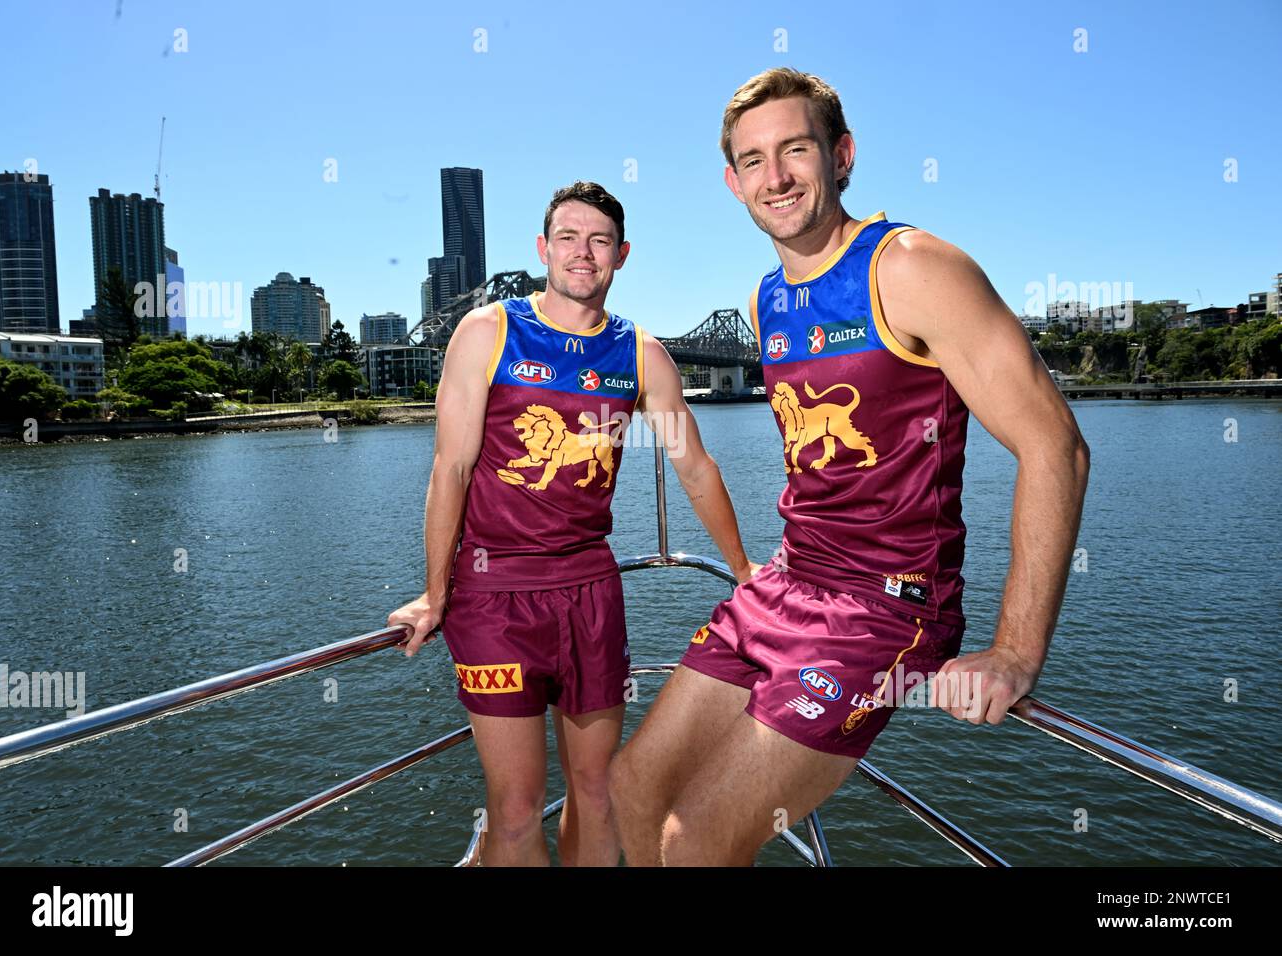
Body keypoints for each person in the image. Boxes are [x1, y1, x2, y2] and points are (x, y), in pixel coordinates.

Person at [609, 68, 1091, 866]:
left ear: (842, 156)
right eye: (754, 160)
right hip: (786, 586)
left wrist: (1015, 650)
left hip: (884, 610)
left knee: (693, 839)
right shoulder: (768, 300)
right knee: (628, 788)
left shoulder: (910, 268)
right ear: (732, 183)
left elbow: (1056, 446)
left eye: (795, 149)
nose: (777, 177)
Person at [387, 181, 757, 866]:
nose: (581, 254)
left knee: (596, 790)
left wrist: (744, 570)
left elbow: (695, 467)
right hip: (495, 596)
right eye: (567, 238)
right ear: (542, 249)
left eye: (598, 241)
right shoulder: (487, 332)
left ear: (621, 255)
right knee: (518, 807)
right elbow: (451, 470)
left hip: (591, 589)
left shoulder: (641, 356)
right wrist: (435, 594)